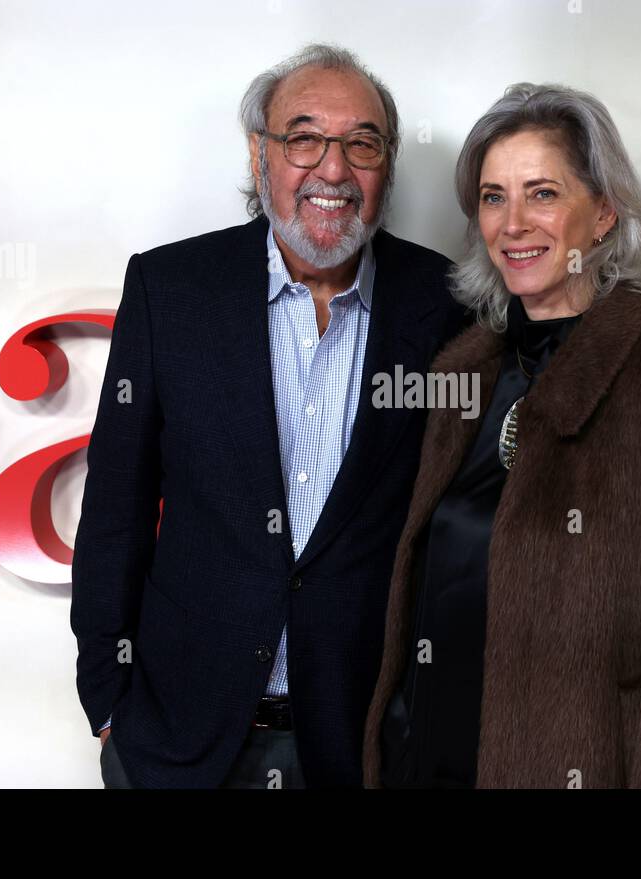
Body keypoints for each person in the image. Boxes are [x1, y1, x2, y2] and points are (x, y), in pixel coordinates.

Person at [362, 83, 641, 788]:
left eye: (542, 193)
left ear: (603, 213)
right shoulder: (462, 377)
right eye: (494, 197)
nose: (513, 223)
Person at [71, 43, 468, 788]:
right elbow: (115, 510)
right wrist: (108, 701)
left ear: (386, 166)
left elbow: (460, 534)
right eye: (303, 138)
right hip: (179, 742)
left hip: (362, 747)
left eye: (363, 143)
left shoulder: (447, 304)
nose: (333, 169)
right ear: (260, 155)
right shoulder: (170, 289)